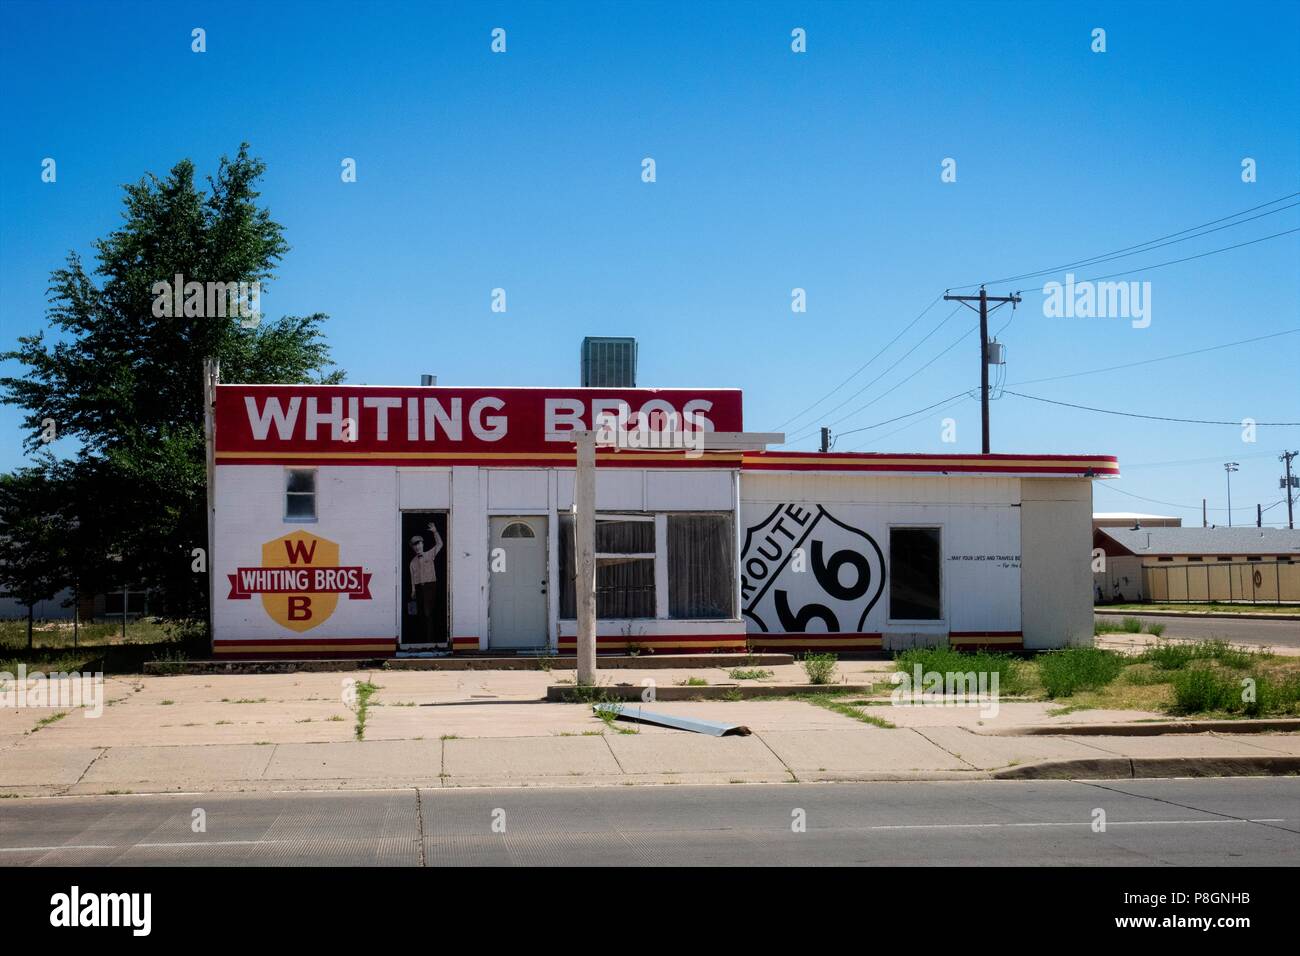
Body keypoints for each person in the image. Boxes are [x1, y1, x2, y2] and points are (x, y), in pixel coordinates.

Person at [409, 522, 444, 644]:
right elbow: (412, 577)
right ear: (413, 548)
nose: (417, 547)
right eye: (415, 545)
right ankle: (422, 640)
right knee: (420, 615)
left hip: (430, 586)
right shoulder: (412, 562)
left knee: (429, 613)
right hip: (419, 588)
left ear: (423, 544)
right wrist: (413, 590)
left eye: (419, 543)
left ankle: (431, 640)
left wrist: (435, 531)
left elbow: (440, 544)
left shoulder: (430, 554)